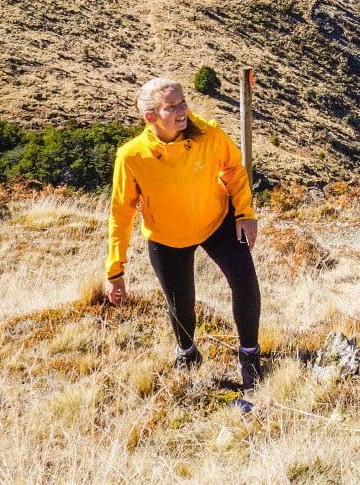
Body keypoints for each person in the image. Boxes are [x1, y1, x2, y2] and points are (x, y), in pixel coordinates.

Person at [105, 76, 262, 388]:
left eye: (183, 102)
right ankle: (188, 354)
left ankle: (250, 355)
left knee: (245, 285)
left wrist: (244, 212)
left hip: (218, 221)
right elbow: (121, 212)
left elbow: (233, 167)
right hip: (167, 238)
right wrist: (115, 270)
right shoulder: (132, 156)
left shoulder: (207, 133)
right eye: (172, 107)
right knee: (181, 306)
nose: (183, 110)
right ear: (150, 117)